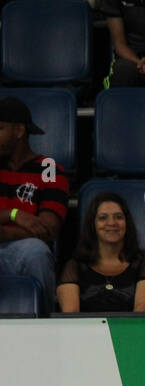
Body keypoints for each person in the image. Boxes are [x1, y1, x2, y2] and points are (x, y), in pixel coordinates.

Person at [0, 97, 71, 314]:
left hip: (22, 250)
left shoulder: (48, 168)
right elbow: (33, 228)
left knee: (36, 252)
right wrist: (14, 215)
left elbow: (47, 229)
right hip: (20, 237)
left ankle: (44, 326)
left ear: (19, 131)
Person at [56, 193, 145, 313]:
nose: (111, 223)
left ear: (127, 223)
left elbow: (140, 316)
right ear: (92, 224)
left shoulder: (143, 266)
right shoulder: (74, 267)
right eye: (103, 217)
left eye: (118, 217)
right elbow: (71, 318)